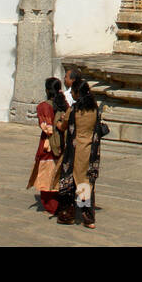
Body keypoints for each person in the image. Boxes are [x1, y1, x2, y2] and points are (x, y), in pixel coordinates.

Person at [55, 79, 105, 228]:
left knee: (71, 181)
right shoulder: (95, 109)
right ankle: (88, 218)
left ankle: (68, 215)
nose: (72, 94)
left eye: (74, 92)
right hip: (90, 151)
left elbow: (64, 127)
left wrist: (58, 122)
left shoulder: (74, 110)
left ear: (78, 93)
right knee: (86, 182)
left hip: (76, 150)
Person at [27, 77, 67, 215]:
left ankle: (51, 204)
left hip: (48, 144)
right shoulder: (64, 104)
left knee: (45, 173)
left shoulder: (43, 106)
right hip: (62, 143)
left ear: (46, 90)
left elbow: (46, 127)